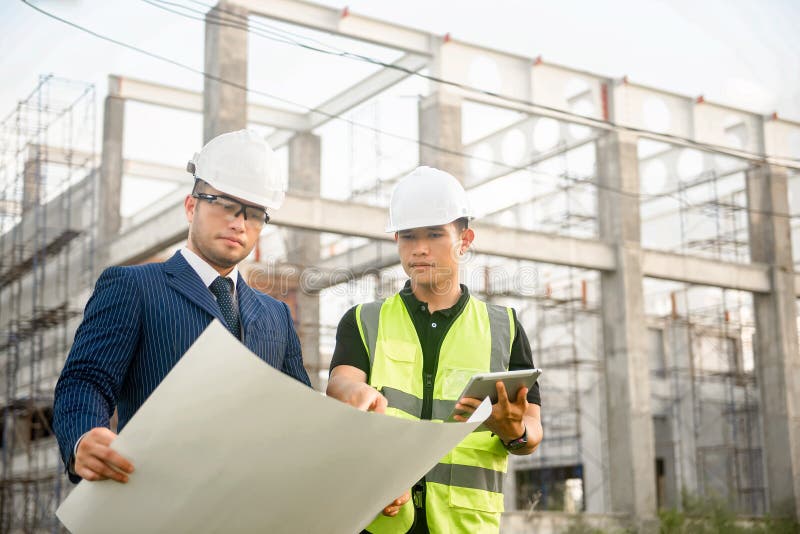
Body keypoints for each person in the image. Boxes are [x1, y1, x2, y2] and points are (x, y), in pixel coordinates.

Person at [53, 129, 311, 484]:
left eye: (253, 213)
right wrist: (82, 437)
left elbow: (301, 416)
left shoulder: (275, 316)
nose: (238, 222)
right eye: (225, 204)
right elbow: (87, 380)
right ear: (192, 206)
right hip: (157, 499)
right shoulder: (134, 287)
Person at [327, 166, 543, 533]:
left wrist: (515, 432)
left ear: (465, 238)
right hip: (383, 518)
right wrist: (355, 393)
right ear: (396, 240)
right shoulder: (364, 320)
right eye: (408, 236)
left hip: (465, 523)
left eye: (434, 234)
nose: (420, 248)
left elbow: (532, 430)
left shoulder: (503, 328)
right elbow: (340, 384)